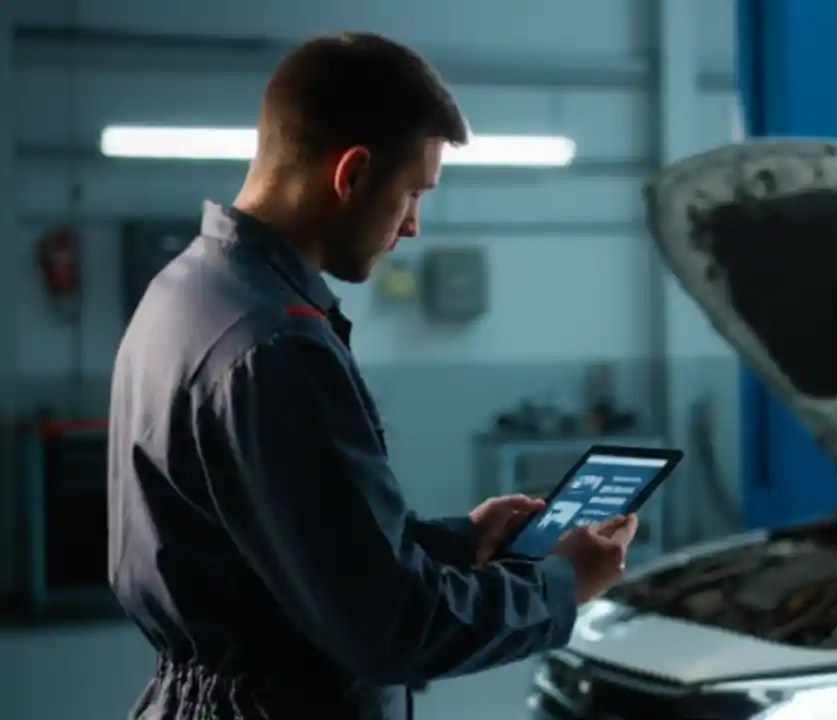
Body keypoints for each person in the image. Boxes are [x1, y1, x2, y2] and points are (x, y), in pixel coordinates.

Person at [106, 31, 638, 720]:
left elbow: (286, 541)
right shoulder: (277, 346)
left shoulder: (187, 290)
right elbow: (393, 627)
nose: (413, 226)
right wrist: (563, 585)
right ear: (351, 174)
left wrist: (455, 542)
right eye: (412, 193)